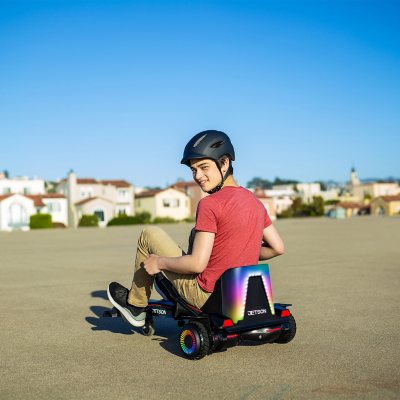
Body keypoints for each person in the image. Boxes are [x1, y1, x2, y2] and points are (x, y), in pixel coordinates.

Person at [107, 130, 284, 327]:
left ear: (224, 163)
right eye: (193, 170)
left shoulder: (210, 204)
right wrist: (239, 252)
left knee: (149, 234)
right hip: (238, 295)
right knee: (196, 234)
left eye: (204, 167)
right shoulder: (255, 202)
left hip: (206, 296)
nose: (198, 176)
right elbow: (277, 247)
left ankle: (136, 306)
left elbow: (197, 265)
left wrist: (159, 263)